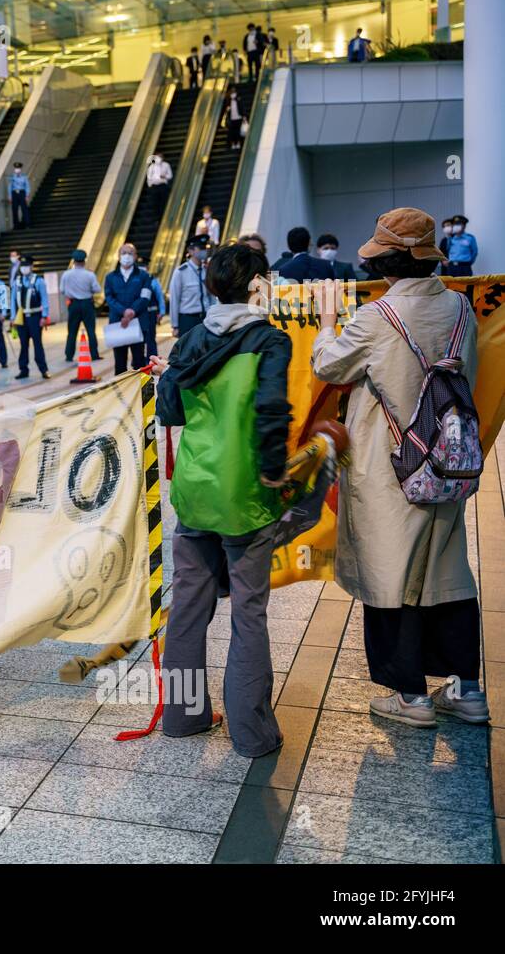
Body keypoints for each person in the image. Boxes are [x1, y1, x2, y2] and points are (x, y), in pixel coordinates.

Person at [311, 207, 488, 728]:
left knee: (391, 575)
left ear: (387, 263)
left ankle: (411, 697)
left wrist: (325, 325)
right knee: (447, 571)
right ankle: (466, 689)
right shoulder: (460, 308)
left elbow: (329, 366)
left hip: (389, 469)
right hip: (447, 461)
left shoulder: (376, 318)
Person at [153, 241, 291, 757]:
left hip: (193, 491)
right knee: (248, 613)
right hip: (245, 494)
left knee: (188, 607)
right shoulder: (270, 341)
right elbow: (272, 409)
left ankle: (183, 718)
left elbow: (170, 411)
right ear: (257, 285)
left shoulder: (189, 340)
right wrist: (276, 472)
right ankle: (252, 735)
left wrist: (170, 372)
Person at [104, 242, 151, 374]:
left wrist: (132, 311)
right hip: (118, 325)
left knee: (140, 363)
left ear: (135, 256)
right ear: (118, 256)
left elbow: (145, 297)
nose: (127, 256)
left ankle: (145, 394)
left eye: (130, 253)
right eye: (123, 253)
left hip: (138, 324)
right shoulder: (110, 277)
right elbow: (109, 298)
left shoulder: (143, 276)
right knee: (119, 364)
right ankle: (122, 394)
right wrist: (124, 311)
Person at [11, 255, 49, 380]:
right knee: (23, 345)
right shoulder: (17, 281)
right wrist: (12, 317)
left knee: (38, 344)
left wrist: (44, 316)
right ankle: (23, 369)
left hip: (35, 317)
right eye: (22, 266)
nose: (24, 268)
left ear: (32, 266)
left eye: (26, 266)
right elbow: (12, 300)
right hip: (21, 318)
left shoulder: (38, 281)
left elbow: (44, 299)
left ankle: (43, 370)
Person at [60, 249, 101, 361]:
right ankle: (94, 355)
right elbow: (97, 289)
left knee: (72, 331)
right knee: (91, 331)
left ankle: (69, 356)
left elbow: (62, 290)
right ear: (84, 261)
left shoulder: (66, 274)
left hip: (73, 304)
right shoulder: (90, 274)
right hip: (87, 304)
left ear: (74, 261)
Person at [168, 234, 212, 336]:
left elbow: (211, 296)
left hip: (206, 318)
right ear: (191, 251)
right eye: (200, 248)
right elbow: (174, 299)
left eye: (205, 248)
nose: (204, 251)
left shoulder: (207, 270)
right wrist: (175, 325)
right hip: (188, 320)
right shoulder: (181, 272)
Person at [138, 255, 165, 358]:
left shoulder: (153, 280)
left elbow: (160, 297)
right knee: (138, 338)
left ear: (148, 267)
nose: (142, 268)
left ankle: (152, 359)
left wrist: (162, 312)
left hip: (150, 313)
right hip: (138, 314)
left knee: (150, 337)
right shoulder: (135, 280)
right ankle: (138, 360)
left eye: (144, 266)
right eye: (140, 266)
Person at [145, 151, 173, 217]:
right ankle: (156, 217)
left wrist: (164, 176)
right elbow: (149, 177)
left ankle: (163, 216)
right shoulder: (151, 167)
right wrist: (150, 186)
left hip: (163, 186)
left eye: (160, 157)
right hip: (154, 187)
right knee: (155, 203)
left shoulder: (166, 165)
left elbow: (170, 175)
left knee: (163, 202)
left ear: (163, 158)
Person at [9, 162, 31, 229]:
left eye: (18, 168)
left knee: (24, 209)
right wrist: (10, 196)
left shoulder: (24, 177)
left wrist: (27, 195)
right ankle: (16, 225)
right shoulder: (12, 177)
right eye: (16, 168)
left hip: (22, 193)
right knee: (14, 210)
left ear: (20, 169)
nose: (17, 169)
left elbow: (27, 186)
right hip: (14, 193)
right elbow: (10, 187)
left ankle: (27, 224)